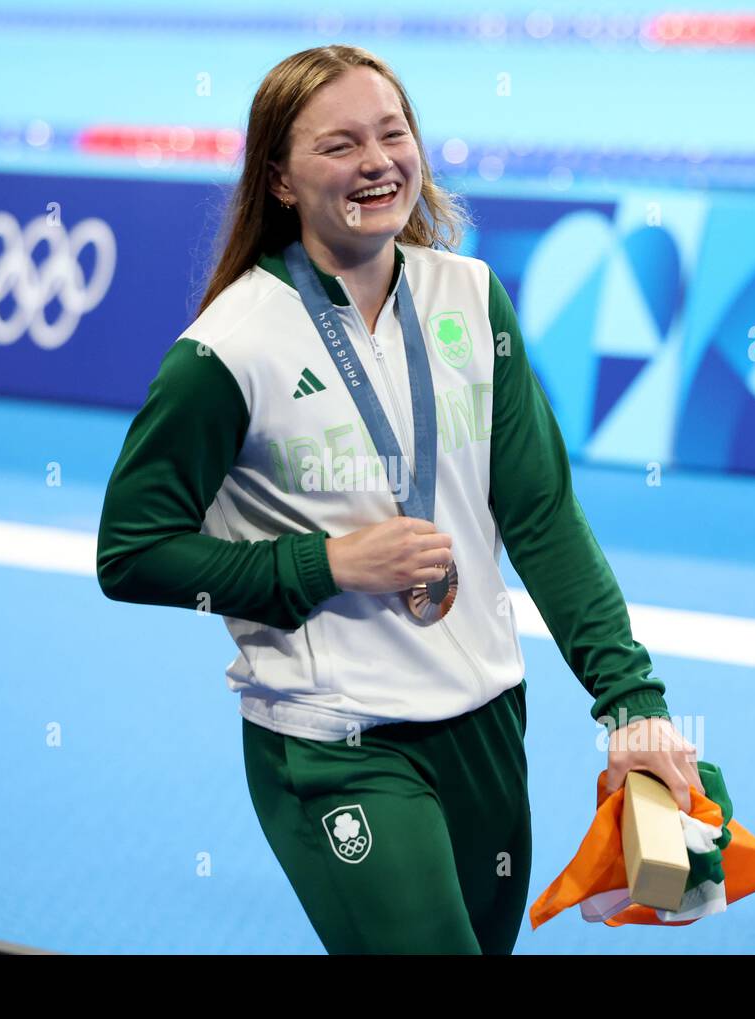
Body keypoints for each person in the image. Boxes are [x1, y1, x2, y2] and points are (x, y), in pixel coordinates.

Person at [96, 44, 703, 955]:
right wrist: (326, 564)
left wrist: (632, 700)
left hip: (487, 721)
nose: (378, 161)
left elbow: (541, 517)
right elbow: (131, 554)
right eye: (339, 145)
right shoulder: (227, 351)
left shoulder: (472, 296)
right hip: (337, 740)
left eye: (393, 133)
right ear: (282, 179)